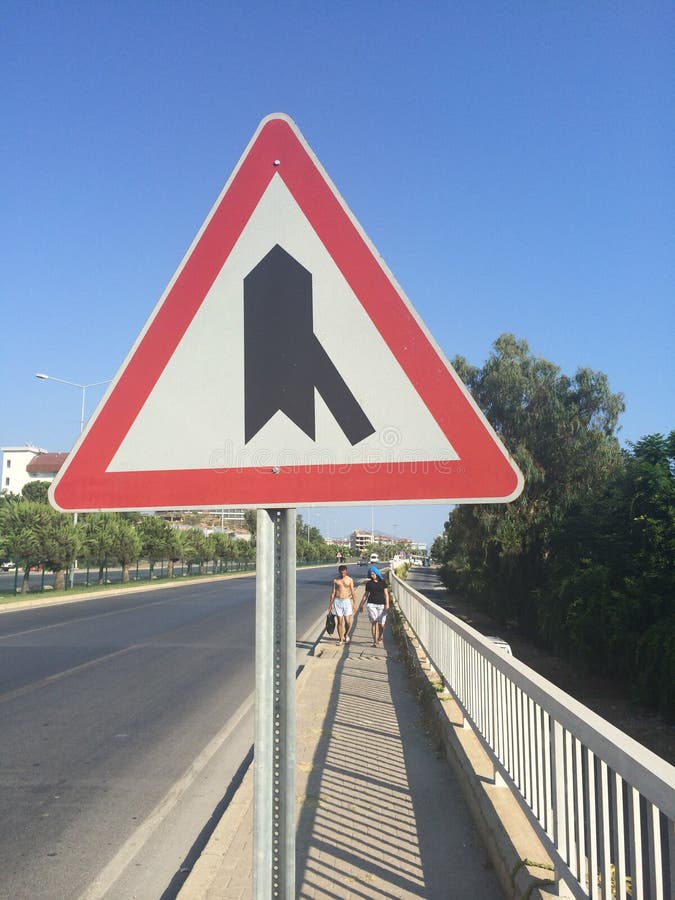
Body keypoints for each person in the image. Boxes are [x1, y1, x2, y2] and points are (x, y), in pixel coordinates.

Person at [359, 568, 390, 647]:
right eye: (371, 574)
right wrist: (361, 604)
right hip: (371, 604)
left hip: (382, 605)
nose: (372, 576)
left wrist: (387, 604)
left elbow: (386, 594)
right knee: (374, 622)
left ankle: (379, 637)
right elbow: (366, 595)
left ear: (377, 573)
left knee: (381, 625)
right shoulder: (369, 583)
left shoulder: (383, 582)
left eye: (373, 574)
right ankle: (375, 641)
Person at [329, 564, 356, 643]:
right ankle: (340, 639)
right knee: (339, 621)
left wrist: (354, 603)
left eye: (344, 573)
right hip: (338, 601)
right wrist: (330, 605)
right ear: (339, 572)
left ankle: (346, 634)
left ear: (346, 571)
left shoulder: (350, 580)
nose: (343, 574)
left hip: (346, 601)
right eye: (341, 573)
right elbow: (333, 592)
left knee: (347, 621)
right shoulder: (336, 580)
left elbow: (353, 592)